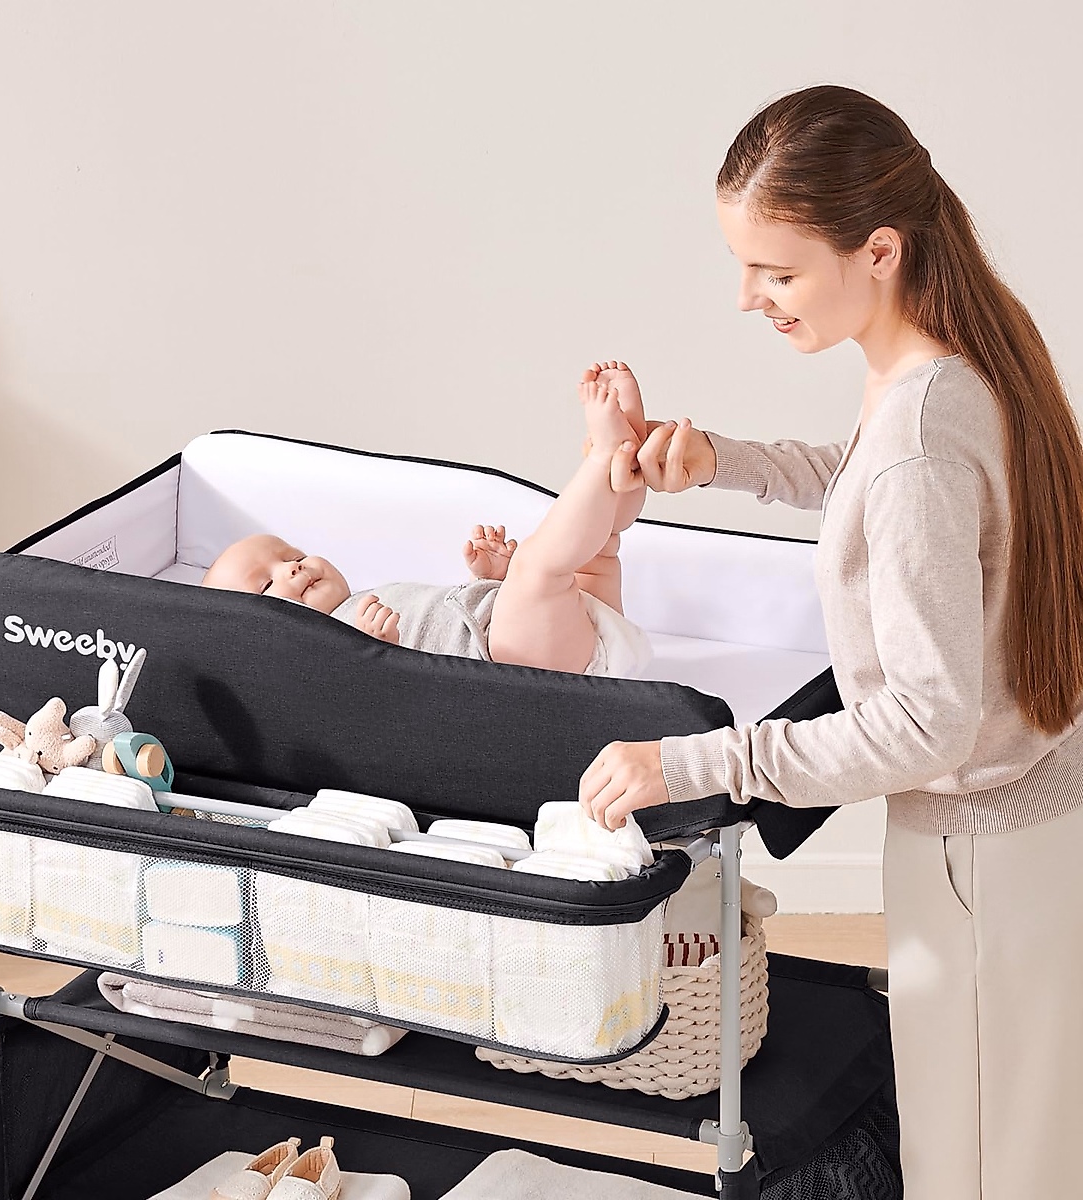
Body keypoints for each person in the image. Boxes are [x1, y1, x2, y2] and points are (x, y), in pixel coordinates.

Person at [577, 84, 1083, 1199]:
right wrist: (727, 461)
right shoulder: (954, 366)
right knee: (1028, 1144)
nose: (748, 297)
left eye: (777, 272)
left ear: (880, 251)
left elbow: (925, 722)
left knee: (976, 1167)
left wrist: (692, 764)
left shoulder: (917, 442)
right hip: (1027, 830)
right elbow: (876, 485)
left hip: (975, 857)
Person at [201, 368, 653, 677]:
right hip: (513, 665)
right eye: (266, 584)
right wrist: (370, 657)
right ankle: (604, 457)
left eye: (292, 556)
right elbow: (395, 709)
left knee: (599, 549)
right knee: (540, 565)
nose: (292, 568)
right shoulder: (325, 658)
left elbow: (447, 626)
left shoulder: (365, 599)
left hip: (556, 634)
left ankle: (627, 453)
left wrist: (496, 581)